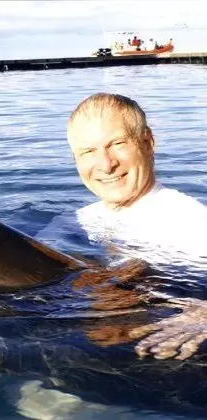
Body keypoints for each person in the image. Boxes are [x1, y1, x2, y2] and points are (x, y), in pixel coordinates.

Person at [37, 93, 207, 360]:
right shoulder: (72, 223)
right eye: (88, 151)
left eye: (117, 144)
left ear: (148, 142)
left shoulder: (190, 222)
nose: (106, 165)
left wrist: (203, 316)